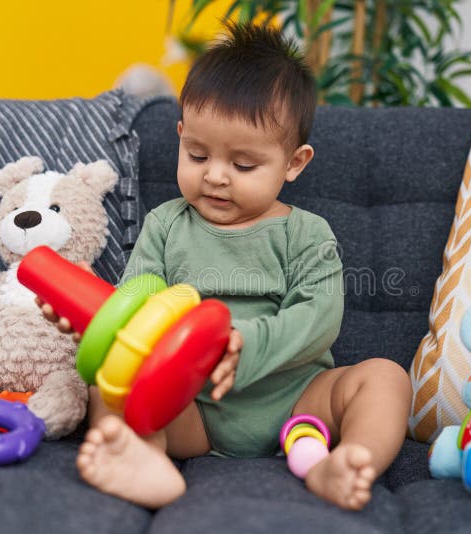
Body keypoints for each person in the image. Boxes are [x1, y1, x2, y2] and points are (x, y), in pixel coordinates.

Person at [38, 22, 411, 511]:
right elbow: (132, 306)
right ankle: (143, 459)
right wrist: (89, 321)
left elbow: (319, 318)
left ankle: (351, 461)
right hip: (190, 406)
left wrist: (248, 345)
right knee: (108, 381)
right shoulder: (166, 225)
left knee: (385, 377)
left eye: (243, 165)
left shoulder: (307, 233)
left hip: (298, 396)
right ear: (181, 136)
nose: (214, 175)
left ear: (293, 163)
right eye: (197, 154)